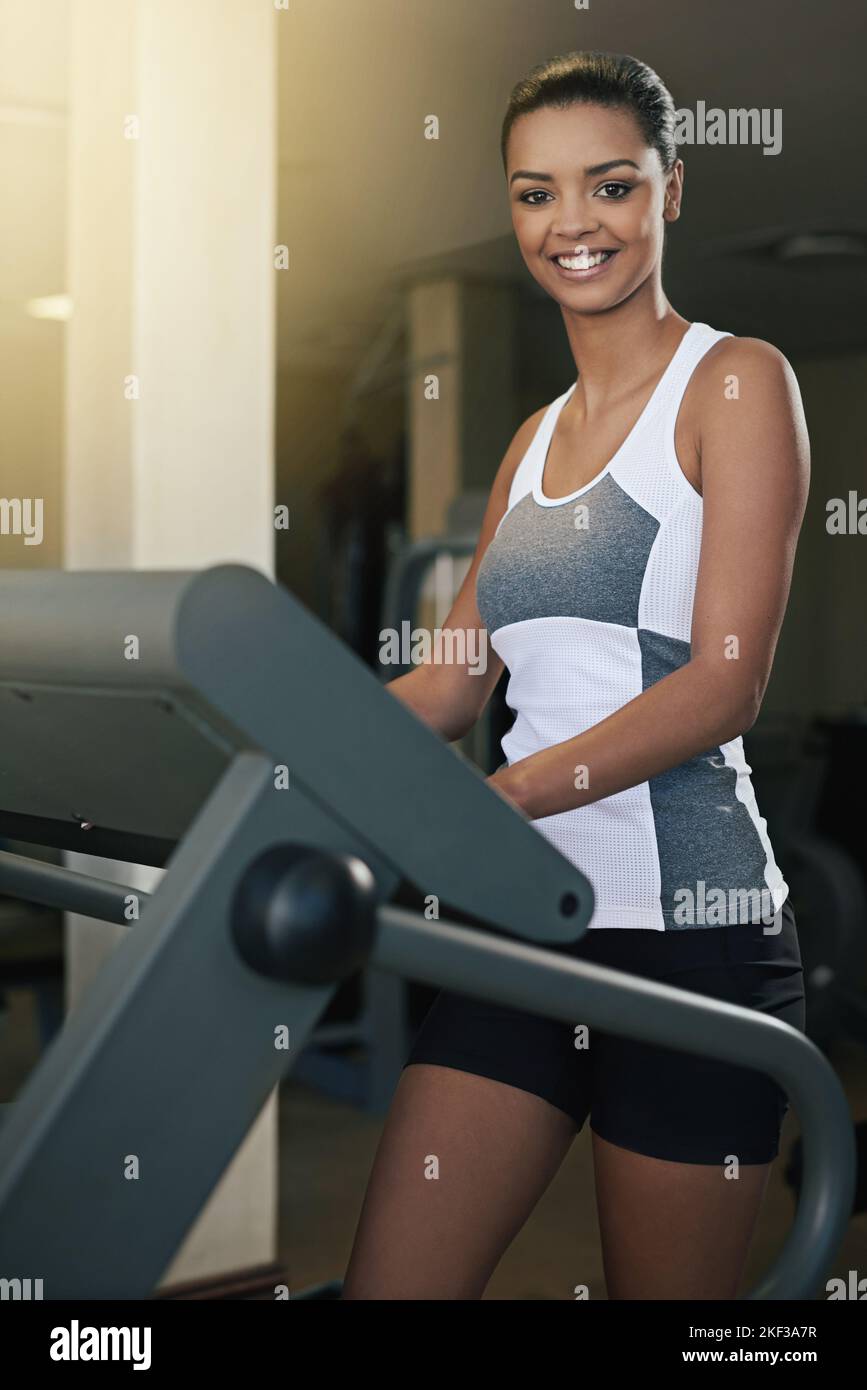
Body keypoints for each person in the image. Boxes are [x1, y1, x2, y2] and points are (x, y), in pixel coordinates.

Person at [342, 50, 810, 1301]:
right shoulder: (529, 440)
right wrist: (282, 753)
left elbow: (723, 683)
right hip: (530, 927)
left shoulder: (738, 381)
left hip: (692, 936)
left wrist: (503, 798)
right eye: (536, 193)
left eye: (608, 185)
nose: (572, 225)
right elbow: (447, 684)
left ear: (670, 189)